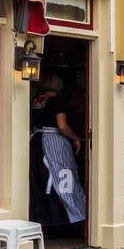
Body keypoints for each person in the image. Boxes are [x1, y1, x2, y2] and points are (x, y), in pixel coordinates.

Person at [29, 74, 86, 231]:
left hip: (35, 141)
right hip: (54, 141)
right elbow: (62, 126)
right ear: (59, 87)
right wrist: (75, 138)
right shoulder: (57, 102)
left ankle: (43, 220)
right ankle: (69, 219)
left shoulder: (34, 101)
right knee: (62, 176)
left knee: (40, 180)